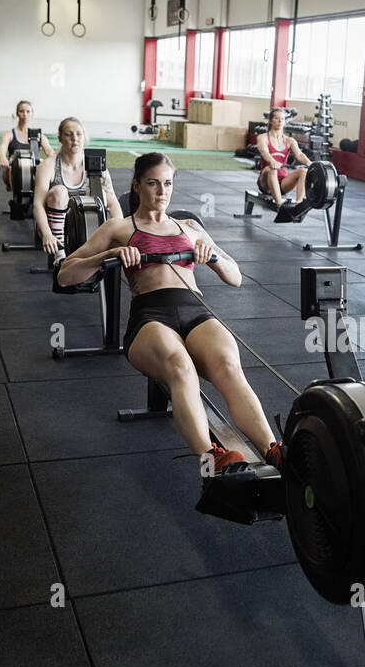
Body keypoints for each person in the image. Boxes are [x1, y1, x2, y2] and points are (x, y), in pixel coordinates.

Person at [56, 152, 284, 478]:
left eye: (167, 183)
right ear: (137, 185)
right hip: (149, 317)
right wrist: (111, 254)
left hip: (195, 311)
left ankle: (273, 450)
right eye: (153, 183)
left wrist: (214, 256)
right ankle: (211, 458)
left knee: (229, 366)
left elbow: (236, 277)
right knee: (180, 367)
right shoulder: (117, 228)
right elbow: (65, 275)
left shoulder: (190, 227)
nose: (162, 191)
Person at [32, 117, 123, 256]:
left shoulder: (95, 164)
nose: (75, 138)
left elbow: (112, 202)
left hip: (86, 225)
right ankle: (60, 256)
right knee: (60, 192)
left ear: (84, 137)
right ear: (60, 138)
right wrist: (46, 233)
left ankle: (94, 250)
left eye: (79, 134)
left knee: (102, 194)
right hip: (54, 229)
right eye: (69, 134)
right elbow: (38, 205)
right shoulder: (48, 165)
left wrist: (121, 237)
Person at [255, 107, 309, 207]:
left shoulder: (289, 140)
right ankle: (279, 205)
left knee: (303, 171)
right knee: (272, 168)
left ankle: (298, 205)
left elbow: (300, 155)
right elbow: (264, 151)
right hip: (266, 183)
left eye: (282, 119)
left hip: (283, 183)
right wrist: (272, 160)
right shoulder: (262, 137)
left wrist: (310, 163)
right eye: (276, 118)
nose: (280, 121)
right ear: (271, 121)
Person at [0, 100, 55, 189]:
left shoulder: (39, 136)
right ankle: (15, 196)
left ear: (32, 114)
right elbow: (2, 147)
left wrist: (54, 159)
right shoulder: (9, 134)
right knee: (13, 164)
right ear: (17, 113)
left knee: (43, 163)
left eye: (28, 111)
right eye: (21, 111)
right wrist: (2, 157)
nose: (25, 114)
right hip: (14, 169)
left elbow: (48, 150)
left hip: (33, 169)